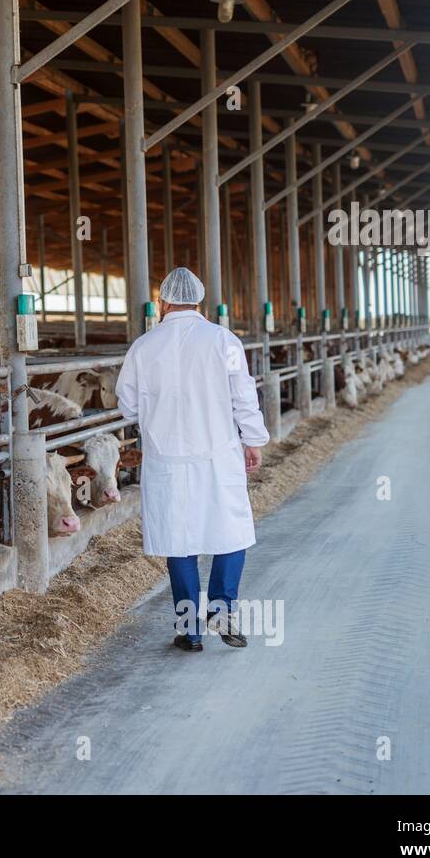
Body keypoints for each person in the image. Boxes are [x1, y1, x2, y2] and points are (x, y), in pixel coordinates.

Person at [115, 267, 269, 652]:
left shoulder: (144, 347)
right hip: (218, 455)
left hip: (167, 460)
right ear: (199, 300)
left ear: (162, 301)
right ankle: (221, 610)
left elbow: (127, 406)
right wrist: (253, 440)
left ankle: (190, 629)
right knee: (231, 530)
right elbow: (244, 397)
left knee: (178, 541)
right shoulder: (224, 340)